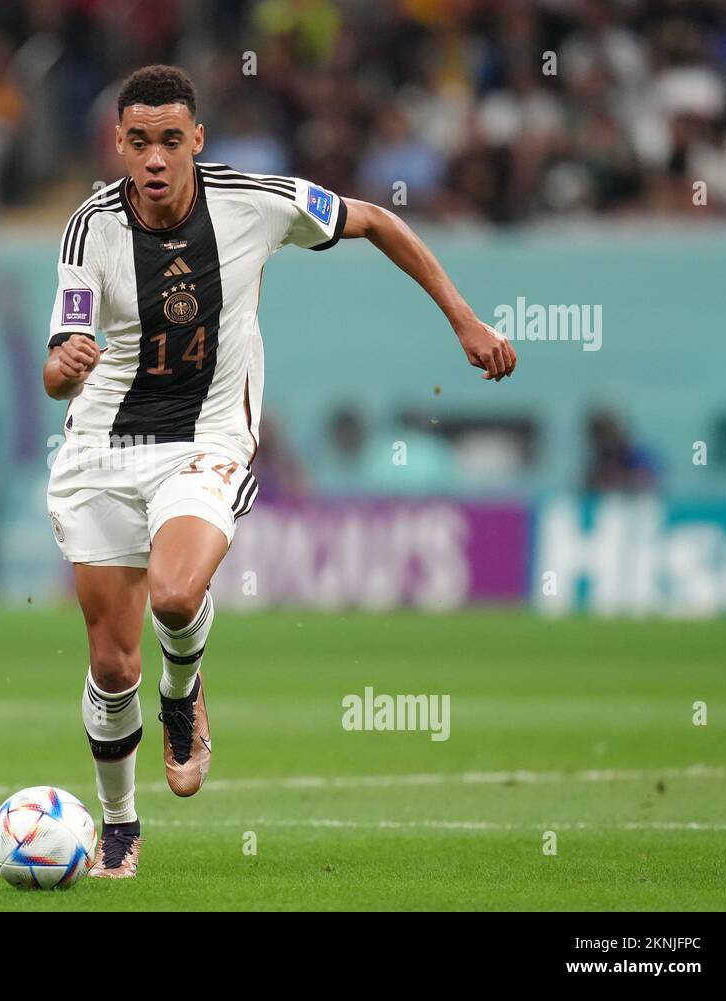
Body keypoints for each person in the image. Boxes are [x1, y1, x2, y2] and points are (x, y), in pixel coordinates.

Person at [43, 65, 516, 878]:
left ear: (197, 141)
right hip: (102, 451)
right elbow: (58, 367)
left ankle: (183, 691)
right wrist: (68, 361)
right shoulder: (89, 230)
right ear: (118, 146)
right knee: (113, 663)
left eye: (169, 141)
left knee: (177, 592)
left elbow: (373, 220)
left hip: (208, 436)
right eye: (137, 143)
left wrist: (464, 319)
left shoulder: (257, 201)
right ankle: (118, 821)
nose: (154, 159)